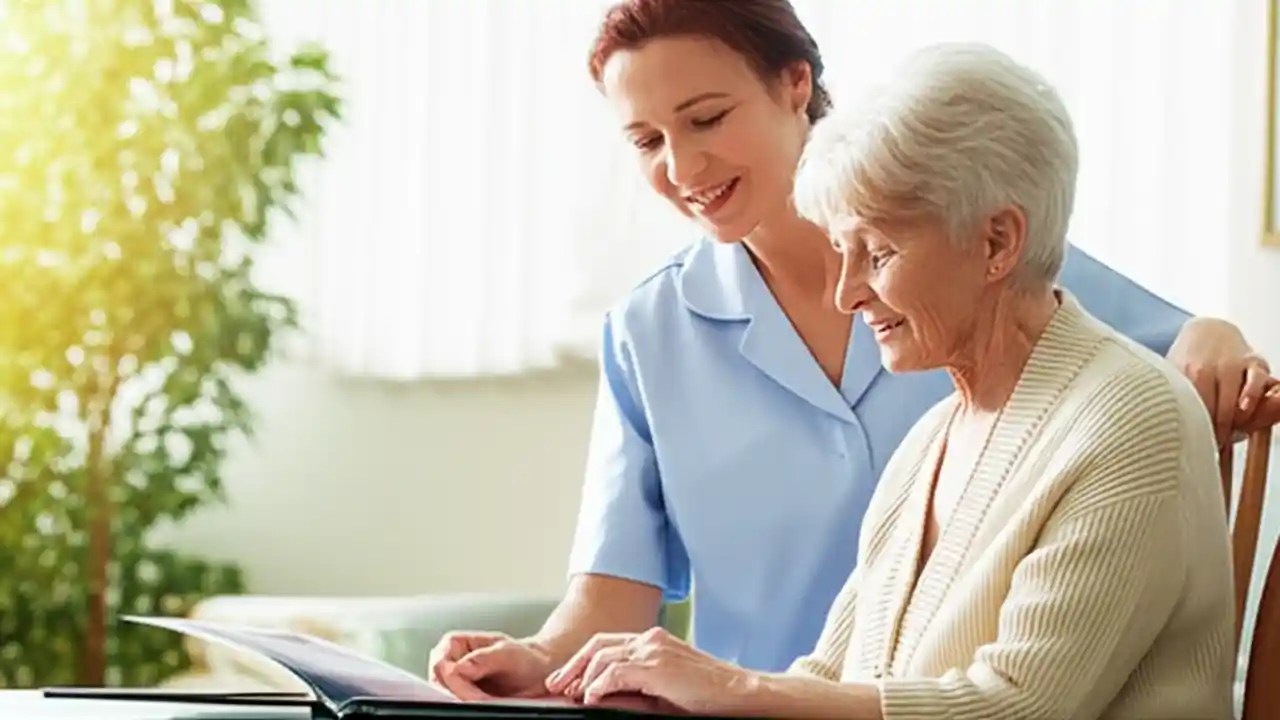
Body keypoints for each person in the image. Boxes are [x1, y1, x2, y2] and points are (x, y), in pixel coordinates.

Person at [431, 0, 1278, 699]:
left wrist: (1214, 335)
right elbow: (621, 595)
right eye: (647, 141)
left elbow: (1120, 349)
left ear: (796, 84)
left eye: (707, 119)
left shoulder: (977, 259)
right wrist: (546, 666)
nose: (682, 166)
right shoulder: (653, 334)